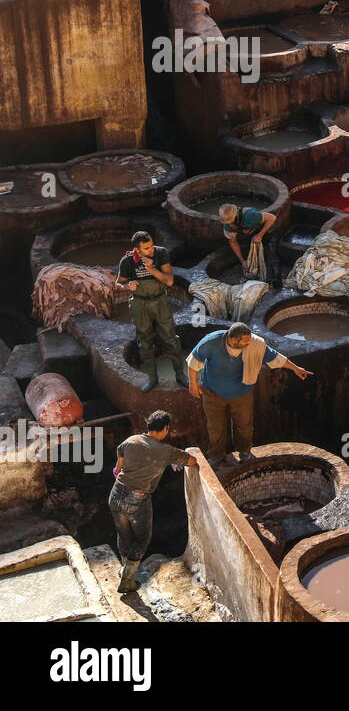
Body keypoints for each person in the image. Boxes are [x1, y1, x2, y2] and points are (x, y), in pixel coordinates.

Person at [187, 322, 311, 468]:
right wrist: (193, 384)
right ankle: (217, 457)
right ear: (233, 340)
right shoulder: (211, 341)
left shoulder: (254, 343)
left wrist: (295, 368)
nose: (249, 343)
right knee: (215, 427)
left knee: (244, 425)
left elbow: (275, 357)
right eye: (245, 341)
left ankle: (245, 452)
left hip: (241, 393)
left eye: (249, 339)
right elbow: (193, 362)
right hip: (212, 393)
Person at [109, 410, 196, 593]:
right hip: (138, 499)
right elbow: (191, 460)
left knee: (123, 535)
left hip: (116, 494)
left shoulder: (130, 441)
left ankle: (125, 570)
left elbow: (117, 469)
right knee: (141, 539)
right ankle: (127, 581)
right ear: (165, 429)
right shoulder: (165, 451)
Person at [116, 231, 188, 393]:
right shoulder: (127, 261)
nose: (151, 250)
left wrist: (152, 269)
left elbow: (169, 281)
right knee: (144, 341)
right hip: (139, 303)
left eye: (151, 245)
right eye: (147, 248)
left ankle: (180, 374)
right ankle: (152, 378)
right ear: (137, 249)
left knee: (170, 338)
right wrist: (127, 286)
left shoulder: (161, 253)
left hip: (160, 301)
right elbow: (118, 283)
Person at [217, 202, 281, 288]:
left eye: (230, 221)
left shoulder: (250, 215)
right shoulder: (228, 226)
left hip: (269, 230)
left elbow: (272, 218)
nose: (228, 223)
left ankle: (277, 280)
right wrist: (242, 261)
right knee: (250, 254)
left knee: (271, 252)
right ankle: (258, 276)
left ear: (235, 215)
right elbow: (233, 242)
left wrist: (259, 235)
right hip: (253, 232)